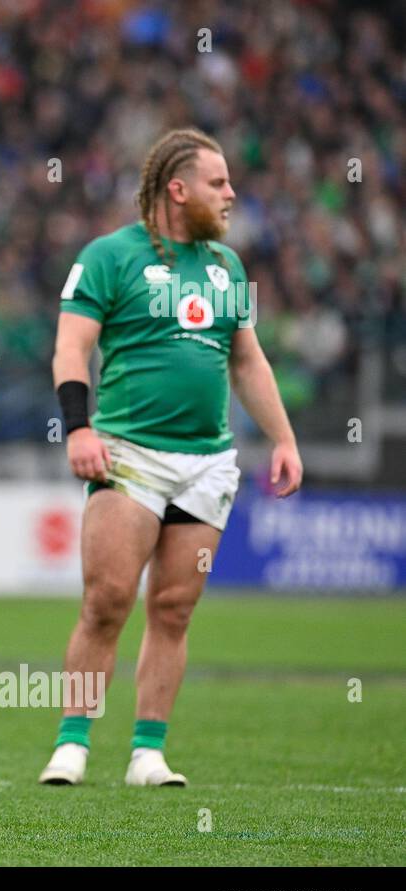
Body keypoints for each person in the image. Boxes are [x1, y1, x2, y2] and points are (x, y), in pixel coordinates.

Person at [39, 128, 303, 787]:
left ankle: (148, 753)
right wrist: (78, 428)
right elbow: (71, 349)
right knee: (107, 601)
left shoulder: (228, 267)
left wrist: (285, 438)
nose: (232, 194)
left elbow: (247, 358)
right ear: (177, 189)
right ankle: (72, 743)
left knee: (176, 607)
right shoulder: (109, 256)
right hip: (127, 453)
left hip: (208, 461)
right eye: (219, 183)